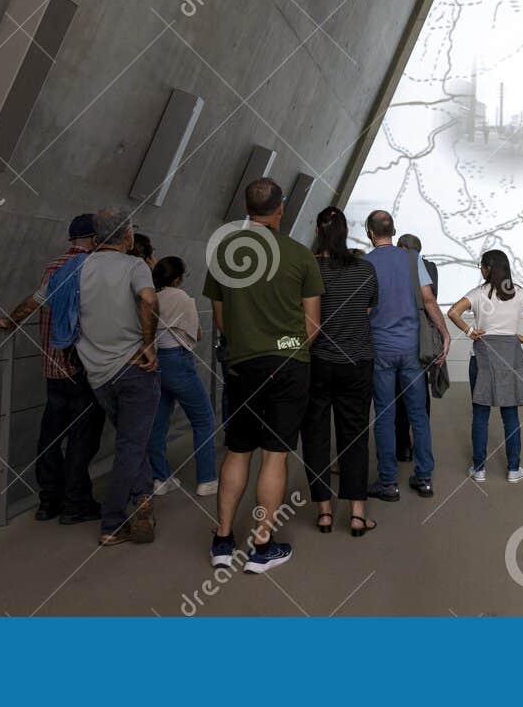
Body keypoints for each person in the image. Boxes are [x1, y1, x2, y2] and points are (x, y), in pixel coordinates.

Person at [203, 178, 322, 573]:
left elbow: (221, 319)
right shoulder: (300, 255)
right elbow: (311, 326)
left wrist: (249, 345)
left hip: (241, 364)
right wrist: (283, 349)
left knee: (237, 449)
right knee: (275, 454)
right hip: (288, 368)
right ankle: (261, 545)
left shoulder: (225, 252)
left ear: (245, 206)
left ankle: (222, 540)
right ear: (281, 208)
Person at [0, 214, 105, 524]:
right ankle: (75, 504)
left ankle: (48, 501)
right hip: (82, 368)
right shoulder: (93, 268)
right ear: (94, 239)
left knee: (51, 437)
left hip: (52, 368)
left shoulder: (54, 267)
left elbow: (34, 301)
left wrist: (11, 321)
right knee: (83, 439)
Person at [69, 207, 160, 546]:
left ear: (96, 237)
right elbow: (148, 299)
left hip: (97, 374)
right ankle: (112, 521)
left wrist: (10, 320)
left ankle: (144, 504)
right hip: (135, 368)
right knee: (131, 445)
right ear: (128, 236)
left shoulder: (78, 268)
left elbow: (43, 299)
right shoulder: (135, 266)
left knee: (131, 441)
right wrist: (149, 345)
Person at [302, 206, 380, 537]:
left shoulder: (308, 270)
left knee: (316, 436)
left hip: (317, 363)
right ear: (346, 232)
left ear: (317, 232)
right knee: (355, 437)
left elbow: (305, 317)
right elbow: (368, 309)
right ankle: (358, 514)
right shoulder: (365, 270)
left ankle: (323, 512)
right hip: (357, 363)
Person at [446, 249, 523, 483]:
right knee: (510, 415)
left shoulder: (477, 293)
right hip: (510, 357)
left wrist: (469, 331)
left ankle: (479, 469)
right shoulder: (519, 294)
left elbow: (453, 312)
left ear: (486, 268)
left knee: (480, 415)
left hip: (483, 357)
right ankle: (514, 469)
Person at [364, 210, 448, 500]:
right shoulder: (413, 259)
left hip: (380, 350)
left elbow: (363, 309)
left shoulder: (365, 263)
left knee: (385, 415)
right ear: (393, 229)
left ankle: (388, 482)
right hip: (412, 350)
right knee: (418, 416)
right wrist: (445, 334)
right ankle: (423, 478)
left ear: (369, 233)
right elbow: (428, 300)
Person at [148, 256, 219, 498]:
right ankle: (206, 479)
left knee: (157, 424)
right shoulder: (182, 299)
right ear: (178, 278)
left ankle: (161, 478)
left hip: (155, 362)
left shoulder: (149, 296)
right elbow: (196, 333)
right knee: (203, 419)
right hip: (178, 361)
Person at [393, 233, 437, 463]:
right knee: (421, 395)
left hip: (399, 335)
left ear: (402, 248)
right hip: (423, 337)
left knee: (398, 396)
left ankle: (403, 447)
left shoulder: (396, 265)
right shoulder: (431, 267)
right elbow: (430, 299)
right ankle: (422, 449)